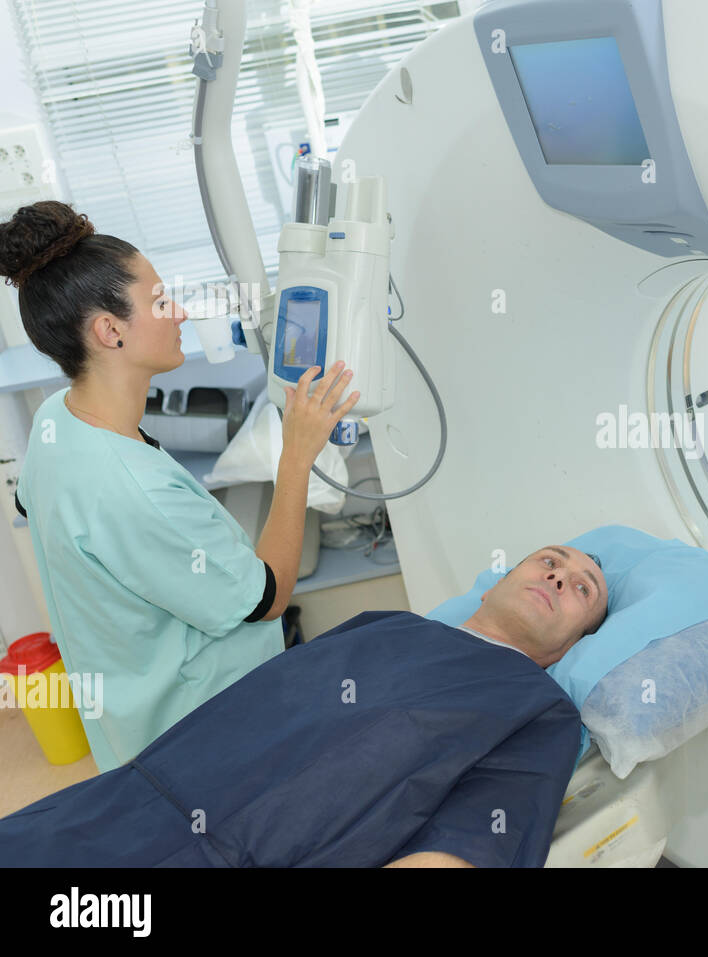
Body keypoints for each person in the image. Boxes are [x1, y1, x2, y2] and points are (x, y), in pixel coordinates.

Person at [0, 200, 362, 772]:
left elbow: (49, 505)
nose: (183, 315)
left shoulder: (55, 419)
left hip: (128, 725)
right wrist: (295, 457)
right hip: (205, 737)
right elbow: (267, 600)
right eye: (162, 301)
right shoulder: (133, 491)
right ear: (109, 330)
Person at [0, 545, 608, 868]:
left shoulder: (538, 709)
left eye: (583, 588)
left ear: (574, 644)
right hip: (130, 793)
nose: (559, 576)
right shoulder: (385, 624)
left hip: (233, 851)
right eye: (549, 561)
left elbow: (470, 846)